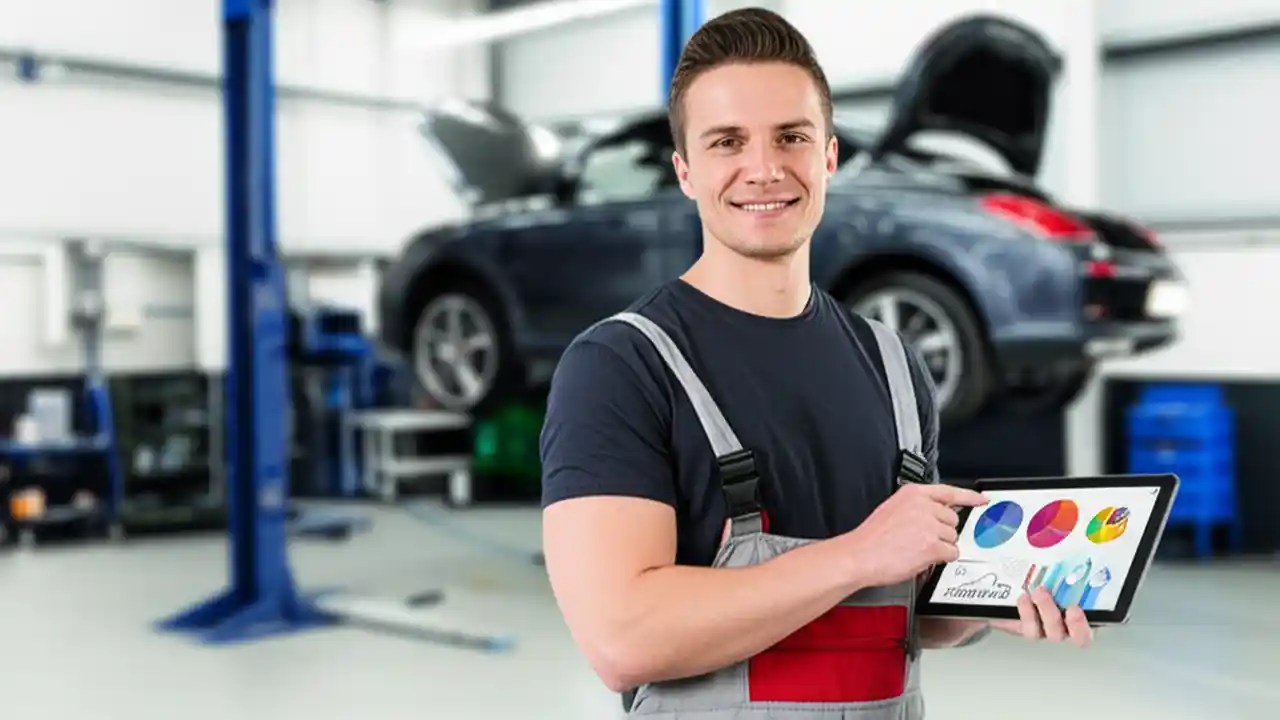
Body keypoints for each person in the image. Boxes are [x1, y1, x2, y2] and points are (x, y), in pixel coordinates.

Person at [538, 7, 1092, 717]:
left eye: (791, 137)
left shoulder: (896, 367)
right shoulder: (622, 367)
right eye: (727, 141)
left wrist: (984, 605)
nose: (764, 169)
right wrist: (857, 554)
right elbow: (623, 637)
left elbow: (888, 607)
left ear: (829, 157)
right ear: (684, 171)